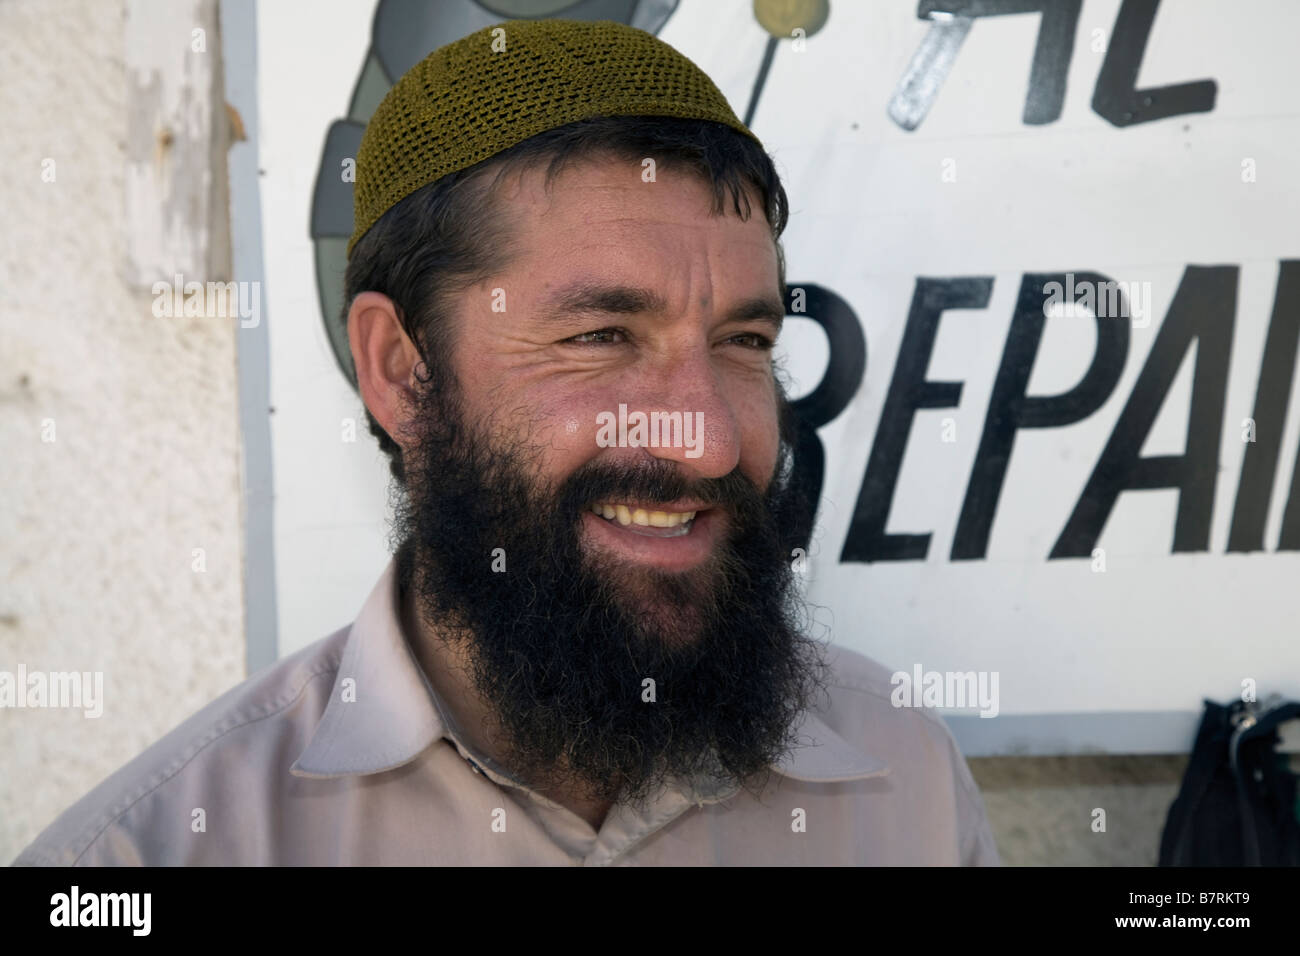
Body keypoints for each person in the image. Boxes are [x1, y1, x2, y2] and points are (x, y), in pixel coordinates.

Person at [16, 18, 998, 866]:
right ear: (401, 369)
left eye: (742, 342)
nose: (702, 440)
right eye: (600, 337)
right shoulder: (158, 851)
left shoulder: (902, 780)